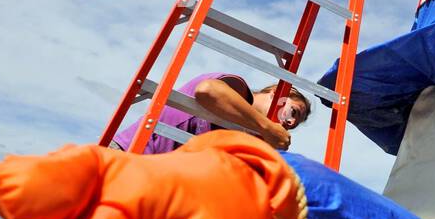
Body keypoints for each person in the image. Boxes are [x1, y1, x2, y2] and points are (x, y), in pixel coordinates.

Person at [111, 72, 310, 153]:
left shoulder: (242, 131)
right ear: (276, 93)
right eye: (293, 112)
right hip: (127, 154)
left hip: (145, 175)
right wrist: (267, 127)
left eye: (297, 123)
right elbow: (207, 91)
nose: (291, 123)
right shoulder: (239, 91)